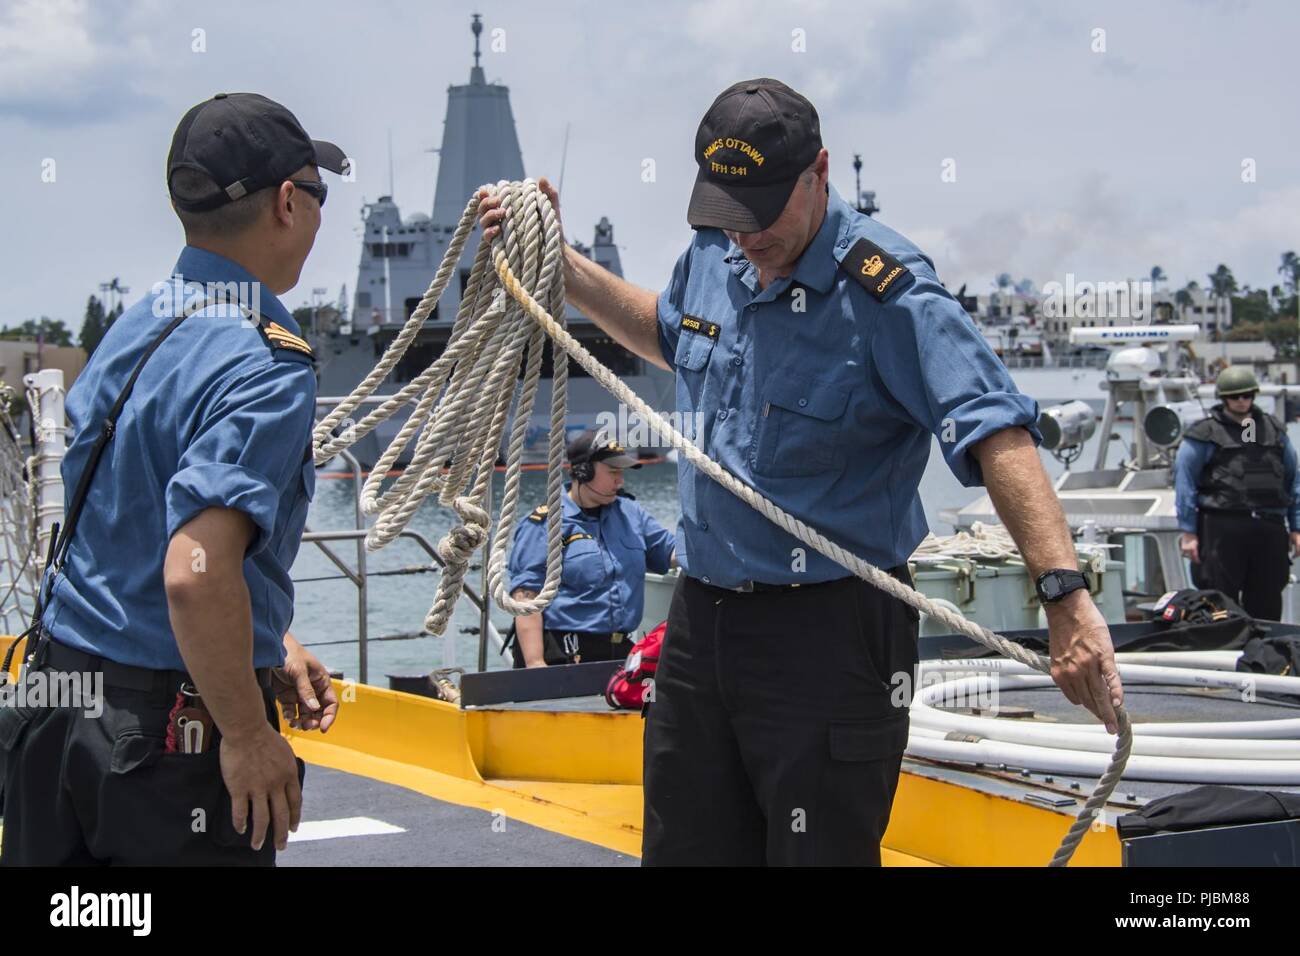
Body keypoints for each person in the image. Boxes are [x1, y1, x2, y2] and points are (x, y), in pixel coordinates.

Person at [479, 78, 1122, 866]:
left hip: (832, 635)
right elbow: (670, 335)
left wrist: (1066, 597)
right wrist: (565, 268)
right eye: (728, 215)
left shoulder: (891, 293)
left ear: (818, 174)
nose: (744, 238)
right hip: (703, 623)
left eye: (760, 214)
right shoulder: (718, 249)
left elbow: (997, 434)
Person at [0, 93, 347, 866]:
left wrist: (270, 636)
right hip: (161, 743)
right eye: (318, 195)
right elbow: (194, 575)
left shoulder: (138, 326)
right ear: (289, 203)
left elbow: (124, 527)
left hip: (57, 712)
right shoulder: (266, 362)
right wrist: (250, 735)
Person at [506, 429, 675, 666]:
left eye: (621, 472)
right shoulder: (546, 523)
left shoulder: (631, 513)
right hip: (564, 654)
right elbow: (526, 596)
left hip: (620, 653)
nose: (620, 480)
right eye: (613, 472)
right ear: (583, 471)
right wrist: (535, 664)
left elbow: (671, 552)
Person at [1176, 366, 1300, 620]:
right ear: (1224, 399)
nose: (1242, 402)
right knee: (1220, 605)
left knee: (1266, 604)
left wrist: (1296, 528)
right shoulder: (1203, 435)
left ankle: (1265, 657)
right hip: (1221, 528)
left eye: (1247, 396)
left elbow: (1293, 480)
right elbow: (1185, 483)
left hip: (1269, 528)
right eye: (1236, 397)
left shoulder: (1274, 432)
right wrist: (1189, 532)